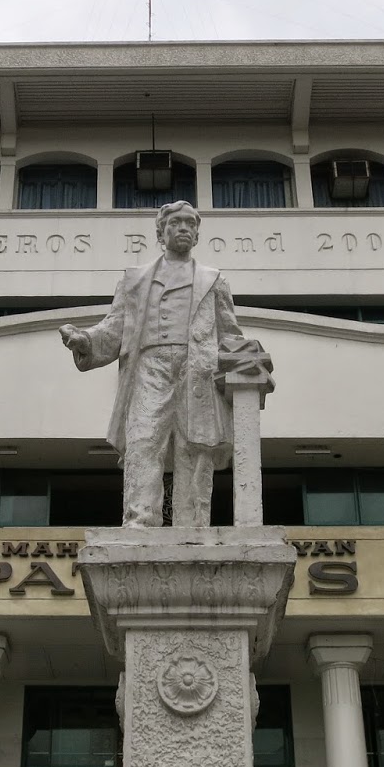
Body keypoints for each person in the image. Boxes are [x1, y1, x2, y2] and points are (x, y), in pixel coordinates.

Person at [59, 202, 247, 527]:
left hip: (196, 368)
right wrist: (86, 340)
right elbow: (116, 325)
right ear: (161, 232)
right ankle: (140, 519)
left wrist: (245, 359)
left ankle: (192, 523)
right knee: (144, 440)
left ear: (198, 233)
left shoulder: (213, 280)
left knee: (194, 444)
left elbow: (228, 332)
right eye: (176, 222)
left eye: (190, 223)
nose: (184, 228)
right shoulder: (135, 280)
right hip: (150, 364)